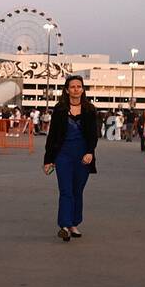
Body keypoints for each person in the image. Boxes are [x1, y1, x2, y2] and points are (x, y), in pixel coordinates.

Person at [42, 75, 98, 241]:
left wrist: (90, 152)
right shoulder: (60, 109)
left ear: (82, 89)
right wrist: (48, 160)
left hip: (83, 156)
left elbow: (93, 135)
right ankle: (64, 226)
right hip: (63, 155)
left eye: (78, 86)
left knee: (77, 190)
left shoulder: (89, 109)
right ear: (67, 90)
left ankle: (74, 223)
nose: (75, 89)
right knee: (66, 190)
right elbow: (52, 136)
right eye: (72, 87)